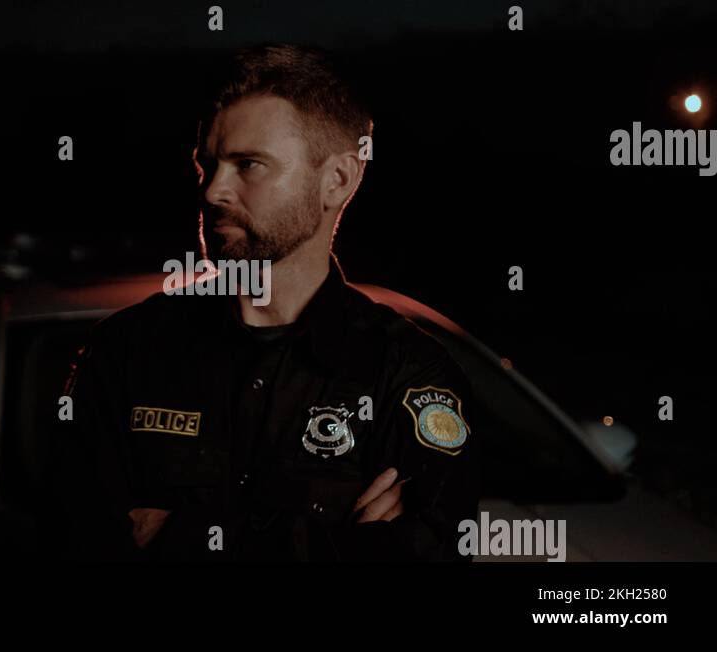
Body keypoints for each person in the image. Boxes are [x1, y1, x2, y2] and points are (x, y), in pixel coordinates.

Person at [57, 43, 479, 561]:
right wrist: (340, 543)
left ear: (338, 179)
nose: (213, 190)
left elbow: (428, 555)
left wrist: (178, 537)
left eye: (248, 164)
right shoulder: (127, 351)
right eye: (206, 165)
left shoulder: (406, 372)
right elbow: (77, 537)